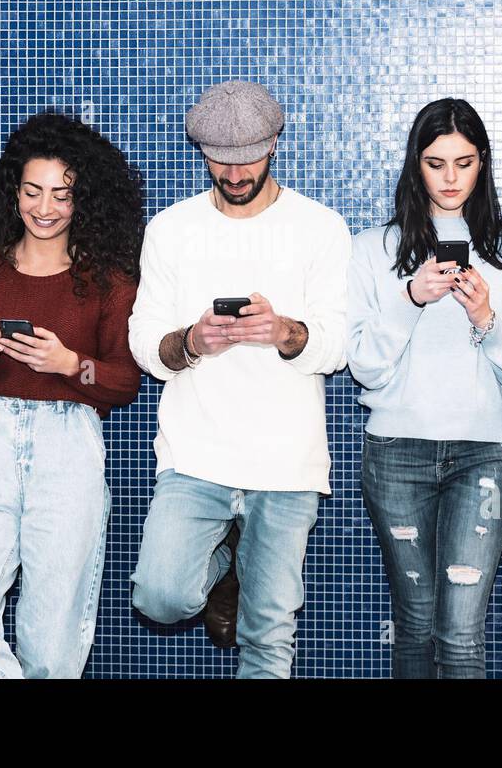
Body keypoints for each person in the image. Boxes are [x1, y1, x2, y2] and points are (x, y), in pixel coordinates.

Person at [127, 80, 350, 678]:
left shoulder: (320, 228)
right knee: (160, 595)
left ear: (275, 142)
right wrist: (192, 342)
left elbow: (337, 345)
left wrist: (284, 333)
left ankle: (241, 572)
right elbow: (145, 340)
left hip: (285, 462)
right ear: (201, 153)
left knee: (269, 635)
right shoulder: (170, 230)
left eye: (248, 156)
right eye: (218, 160)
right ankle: (226, 566)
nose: (233, 172)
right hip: (195, 454)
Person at [0, 112, 143, 678]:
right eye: (32, 191)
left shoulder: (109, 280)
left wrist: (71, 365)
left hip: (69, 443)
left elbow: (125, 383)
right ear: (13, 192)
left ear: (83, 201)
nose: (44, 208)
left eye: (61, 195)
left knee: (51, 644)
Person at [347, 98, 502, 678]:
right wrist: (411, 300)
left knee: (460, 634)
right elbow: (364, 368)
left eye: (464, 162)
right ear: (415, 166)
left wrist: (485, 317)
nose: (451, 178)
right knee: (416, 624)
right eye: (435, 163)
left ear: (483, 164)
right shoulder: (372, 250)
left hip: (483, 454)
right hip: (396, 452)